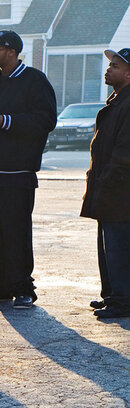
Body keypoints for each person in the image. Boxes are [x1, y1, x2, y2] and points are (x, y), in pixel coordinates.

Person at [0, 30, 56, 309]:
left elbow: (45, 120)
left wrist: (4, 121)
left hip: (16, 174)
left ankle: (22, 287)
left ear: (12, 52)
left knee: (14, 231)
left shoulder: (34, 81)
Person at [81, 48, 130, 319]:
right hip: (109, 187)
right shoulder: (117, 100)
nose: (108, 69)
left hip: (121, 189)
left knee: (120, 245)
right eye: (110, 64)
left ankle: (123, 301)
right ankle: (112, 295)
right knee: (108, 244)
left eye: (116, 65)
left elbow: (124, 152)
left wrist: (109, 180)